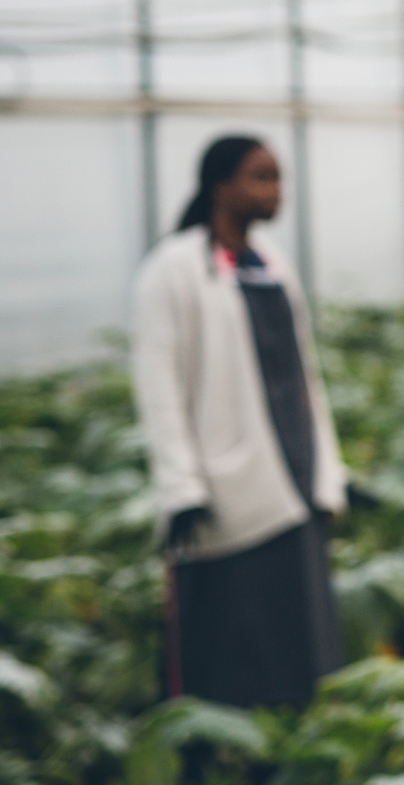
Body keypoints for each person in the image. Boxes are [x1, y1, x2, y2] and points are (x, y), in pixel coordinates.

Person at [133, 135, 347, 709]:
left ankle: (289, 744)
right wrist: (181, 488)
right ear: (219, 185)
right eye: (261, 177)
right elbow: (160, 389)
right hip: (225, 492)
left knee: (296, 638)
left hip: (292, 478)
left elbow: (306, 379)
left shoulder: (270, 265)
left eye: (278, 177)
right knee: (230, 643)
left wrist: (329, 473)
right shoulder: (172, 270)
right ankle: (224, 771)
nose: (276, 191)